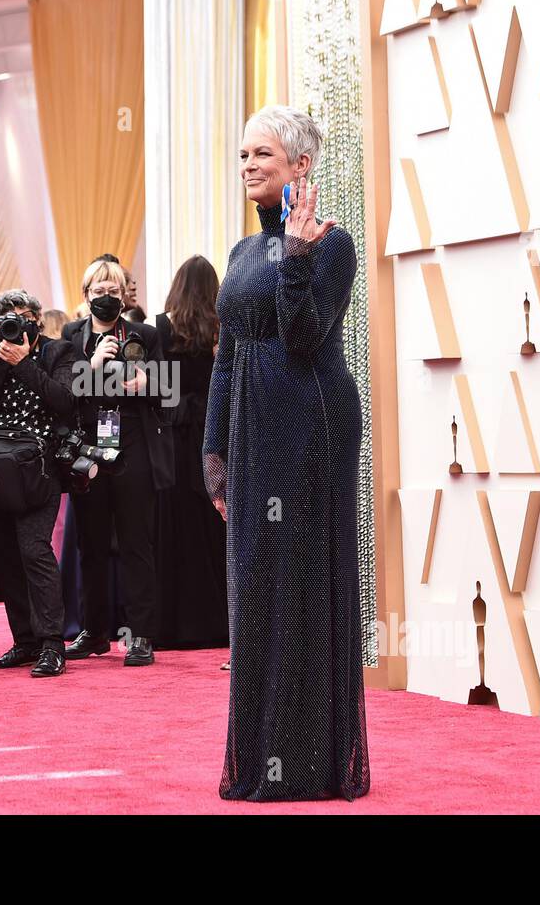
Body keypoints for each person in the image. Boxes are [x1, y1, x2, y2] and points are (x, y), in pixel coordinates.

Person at [204, 104, 370, 801]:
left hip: (310, 426)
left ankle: (307, 762)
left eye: (262, 155)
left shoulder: (333, 244)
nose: (248, 166)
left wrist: (298, 259)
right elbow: (225, 353)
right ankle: (266, 750)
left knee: (300, 579)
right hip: (250, 428)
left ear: (300, 165)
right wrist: (213, 449)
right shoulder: (243, 253)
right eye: (243, 155)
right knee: (256, 585)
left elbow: (303, 338)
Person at [61, 260, 173, 666]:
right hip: (88, 444)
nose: (106, 296)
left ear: (125, 294)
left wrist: (147, 382)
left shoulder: (145, 335)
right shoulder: (72, 336)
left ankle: (141, 634)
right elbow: (60, 389)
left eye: (114, 290)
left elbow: (171, 391)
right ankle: (93, 631)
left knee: (134, 541)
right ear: (86, 292)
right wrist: (90, 367)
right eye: (98, 289)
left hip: (133, 442)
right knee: (89, 541)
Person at [0, 289, 76, 677]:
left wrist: (26, 363)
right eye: (8, 318)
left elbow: (65, 400)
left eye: (24, 316)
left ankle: (51, 644)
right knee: (5, 553)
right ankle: (24, 641)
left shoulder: (59, 352)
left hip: (38, 468)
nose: (17, 324)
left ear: (38, 320)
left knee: (34, 550)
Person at [154, 256, 228, 649]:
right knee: (214, 517)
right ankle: (219, 621)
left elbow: (161, 386)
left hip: (177, 433)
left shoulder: (163, 326)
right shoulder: (221, 325)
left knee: (177, 523)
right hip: (213, 429)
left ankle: (174, 624)